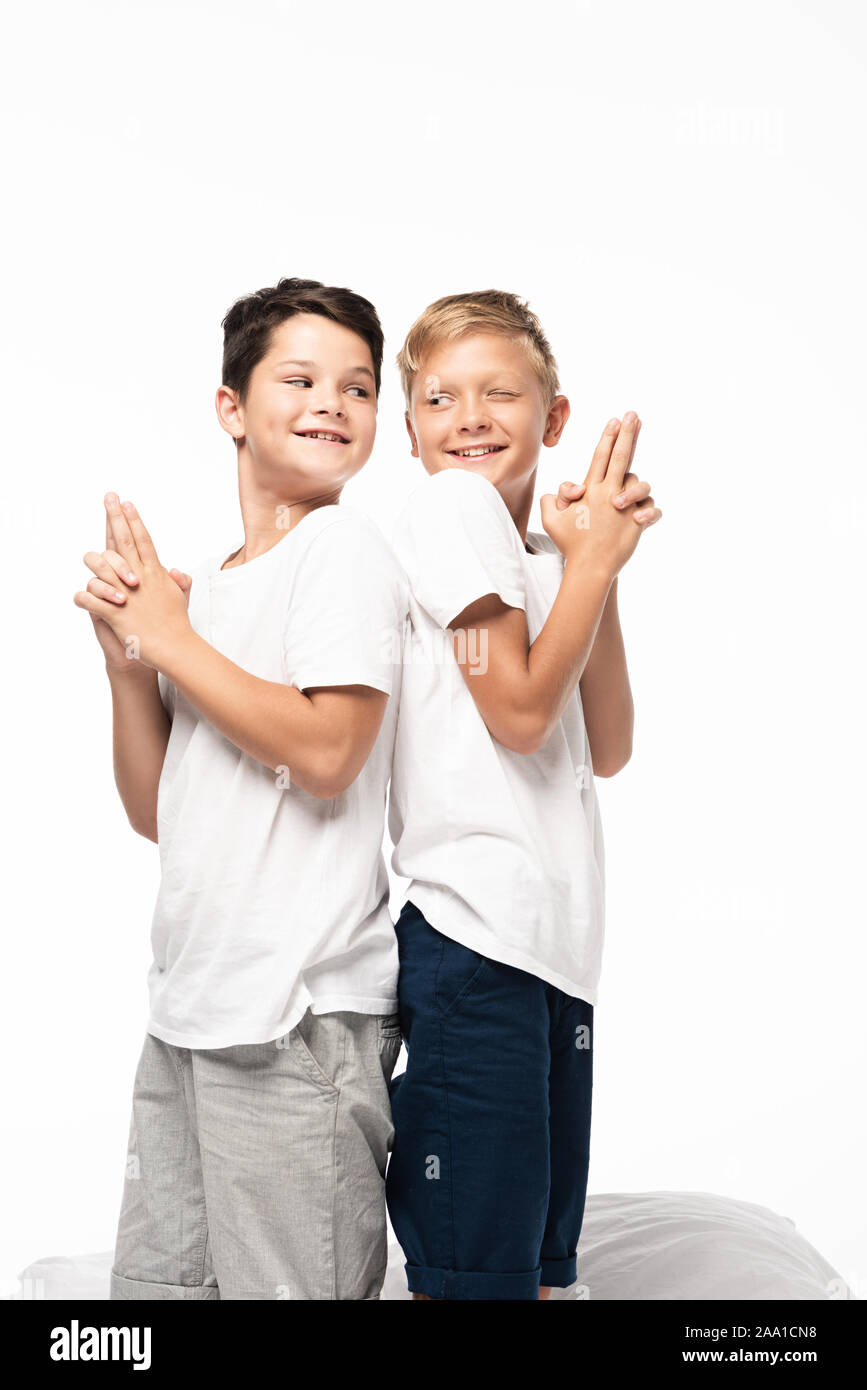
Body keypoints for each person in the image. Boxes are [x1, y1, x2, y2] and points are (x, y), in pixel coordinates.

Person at [74, 278, 409, 1300]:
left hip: (293, 1020)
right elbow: (158, 810)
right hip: (188, 1009)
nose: (332, 404)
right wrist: (134, 669)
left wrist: (173, 639)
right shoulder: (210, 587)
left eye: (358, 388)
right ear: (231, 407)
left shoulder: (340, 549)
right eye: (300, 379)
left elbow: (330, 750)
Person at [384, 290, 662, 1300]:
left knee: (539, 1272)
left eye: (500, 393)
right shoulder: (446, 509)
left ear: (552, 419)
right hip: (477, 939)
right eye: (439, 398)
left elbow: (612, 741)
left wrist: (596, 567)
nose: (469, 418)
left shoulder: (543, 558)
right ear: (408, 431)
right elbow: (517, 714)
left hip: (552, 956)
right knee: (477, 1273)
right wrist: (589, 563)